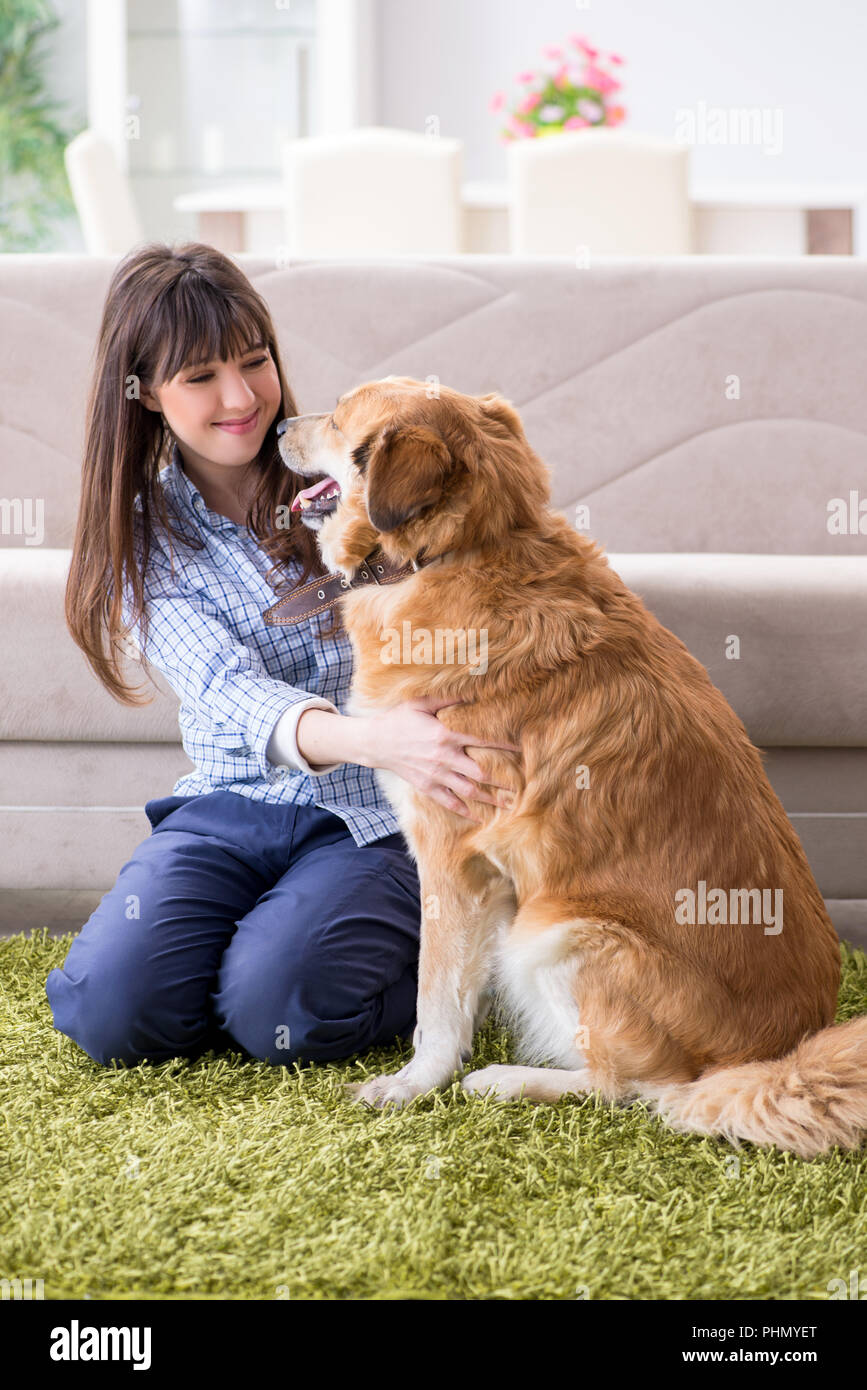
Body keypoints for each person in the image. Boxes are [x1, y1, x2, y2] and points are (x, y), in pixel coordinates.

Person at [45, 241, 518, 1069]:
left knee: (281, 1010)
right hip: (229, 807)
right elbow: (224, 687)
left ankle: (434, 952)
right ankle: (269, 939)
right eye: (199, 378)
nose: (240, 398)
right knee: (111, 1010)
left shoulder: (354, 475)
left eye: (254, 362)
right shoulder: (142, 535)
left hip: (372, 814)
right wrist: (375, 735)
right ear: (146, 395)